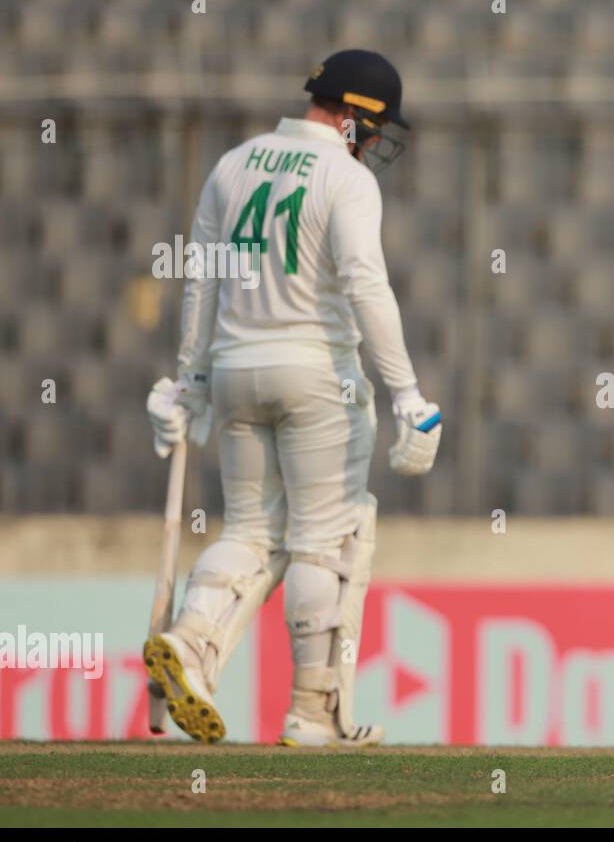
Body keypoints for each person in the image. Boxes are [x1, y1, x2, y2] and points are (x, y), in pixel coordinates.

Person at [143, 50, 443, 747]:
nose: (377, 143)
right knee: (328, 539)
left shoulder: (233, 163)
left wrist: (190, 381)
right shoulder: (347, 178)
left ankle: (190, 644)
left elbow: (201, 282)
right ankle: (313, 713)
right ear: (354, 115)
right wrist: (407, 394)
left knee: (249, 532)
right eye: (375, 128)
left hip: (235, 371)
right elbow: (367, 287)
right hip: (318, 377)